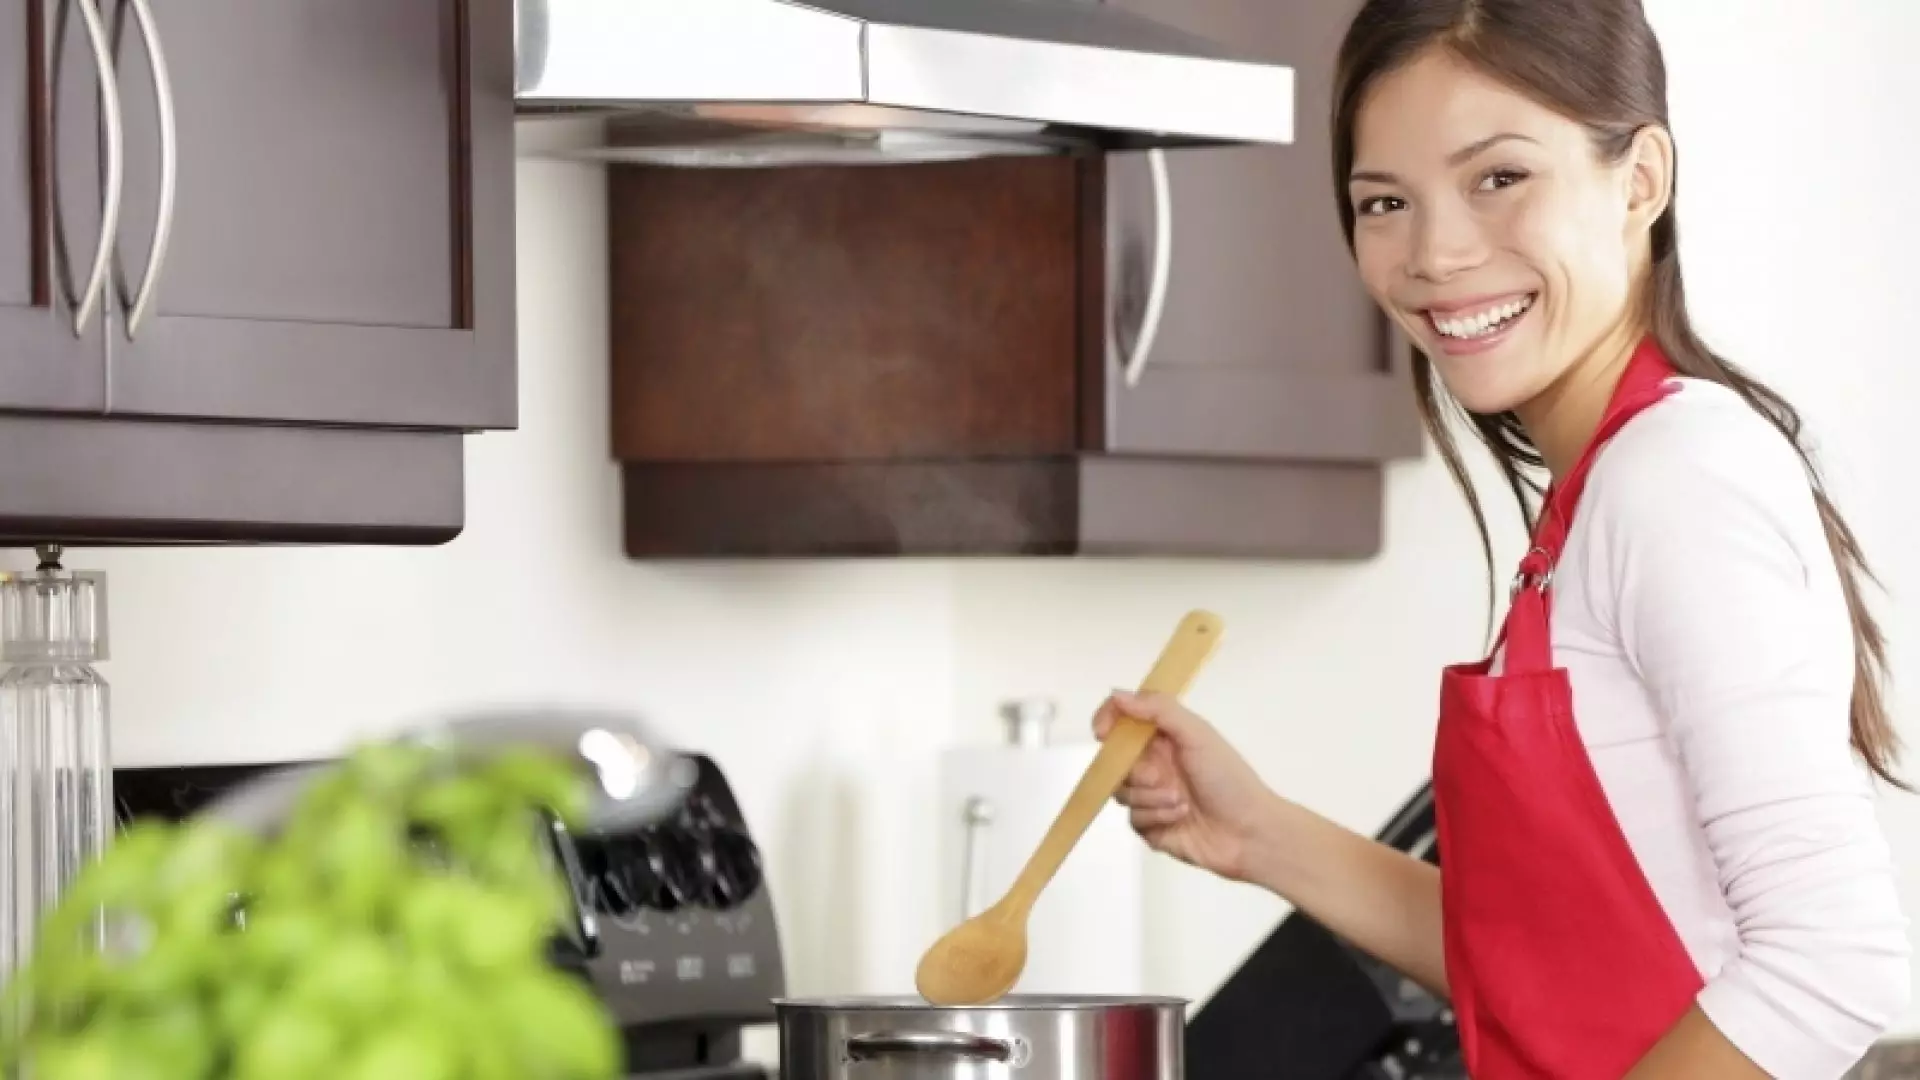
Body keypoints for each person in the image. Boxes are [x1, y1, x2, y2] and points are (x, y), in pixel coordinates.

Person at [1094, 1, 1913, 1077]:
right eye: (1384, 201)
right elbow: (1542, 954)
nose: (1434, 253)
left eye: (1498, 178)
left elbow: (1835, 964)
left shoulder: (1678, 482)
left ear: (1641, 179)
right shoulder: (1599, 496)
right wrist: (1260, 833)